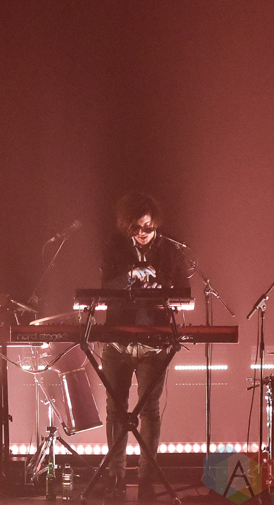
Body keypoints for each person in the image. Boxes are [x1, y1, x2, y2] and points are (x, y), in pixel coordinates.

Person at [99, 193, 192, 502]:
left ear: (156, 225)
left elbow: (183, 293)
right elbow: (104, 289)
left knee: (149, 412)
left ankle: (146, 479)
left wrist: (160, 285)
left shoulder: (170, 250)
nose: (143, 233)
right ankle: (116, 476)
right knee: (116, 410)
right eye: (137, 228)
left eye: (148, 227)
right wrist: (129, 278)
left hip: (154, 342)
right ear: (127, 226)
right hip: (118, 341)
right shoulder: (115, 246)